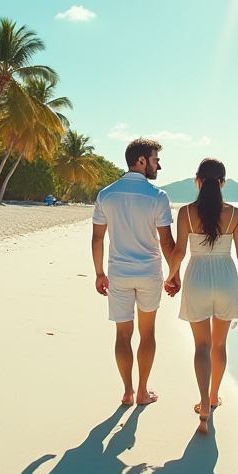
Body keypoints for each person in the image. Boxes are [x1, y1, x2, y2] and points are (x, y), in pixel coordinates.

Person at [164, 158, 238, 435]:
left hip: (197, 277)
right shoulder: (235, 214)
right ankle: (214, 397)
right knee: (219, 345)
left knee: (202, 346)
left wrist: (171, 275)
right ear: (223, 182)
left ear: (197, 181)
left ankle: (203, 400)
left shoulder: (187, 213)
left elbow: (179, 251)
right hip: (227, 279)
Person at [91, 139, 177, 406]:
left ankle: (127, 392)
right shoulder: (158, 196)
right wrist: (174, 273)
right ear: (141, 160)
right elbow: (166, 242)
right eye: (155, 160)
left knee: (123, 335)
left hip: (118, 273)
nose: (158, 165)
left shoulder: (106, 194)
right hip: (149, 273)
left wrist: (99, 273)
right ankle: (142, 392)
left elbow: (97, 239)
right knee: (147, 333)